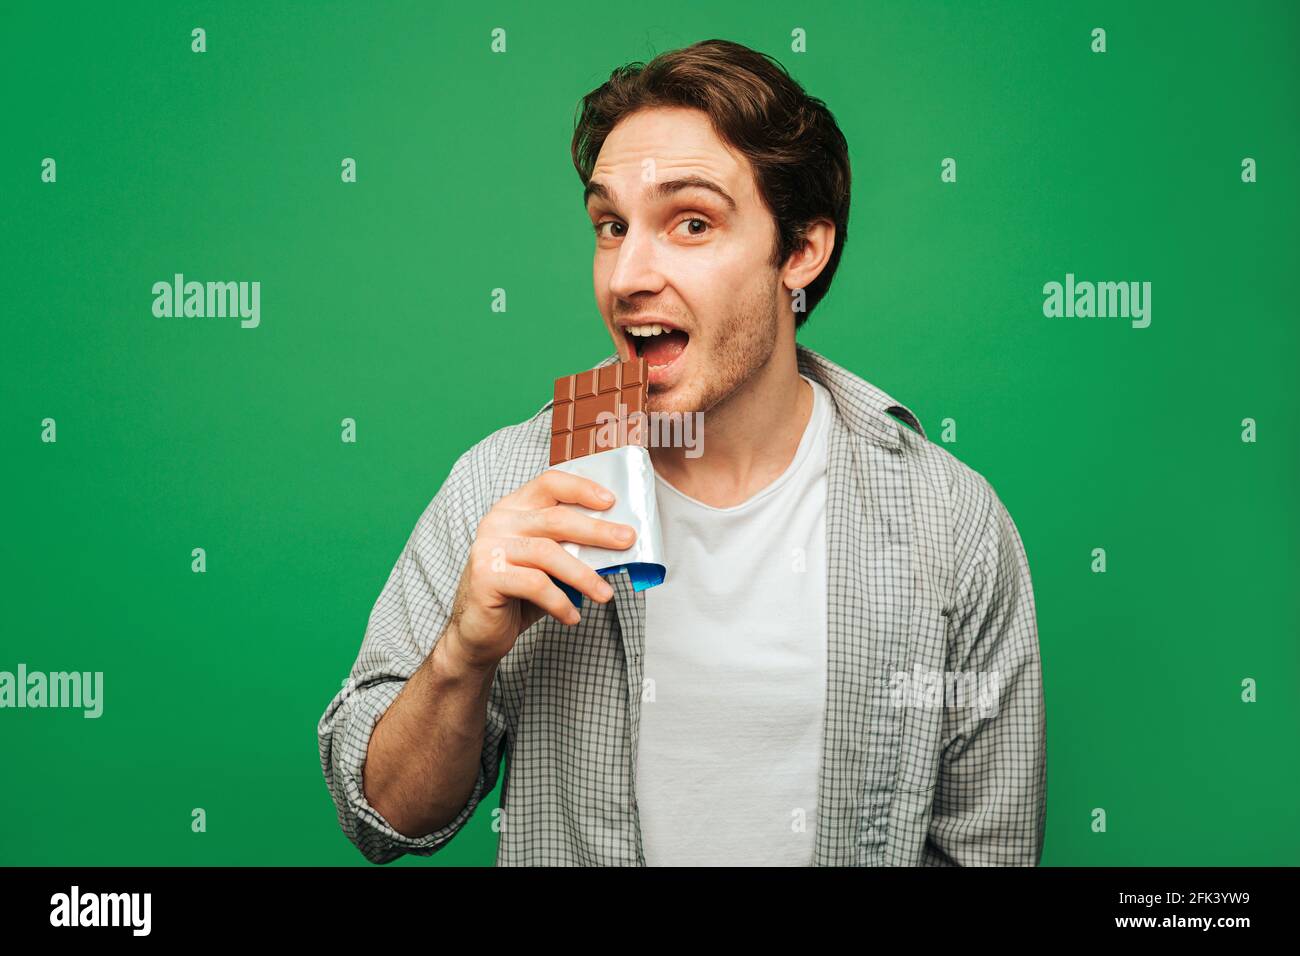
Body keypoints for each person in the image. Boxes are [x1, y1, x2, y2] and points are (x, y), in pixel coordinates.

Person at [318, 38, 1046, 866]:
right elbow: (380, 819)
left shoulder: (949, 521)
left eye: (691, 222)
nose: (627, 274)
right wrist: (461, 656)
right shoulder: (507, 483)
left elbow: (988, 851)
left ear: (802, 250)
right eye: (611, 225)